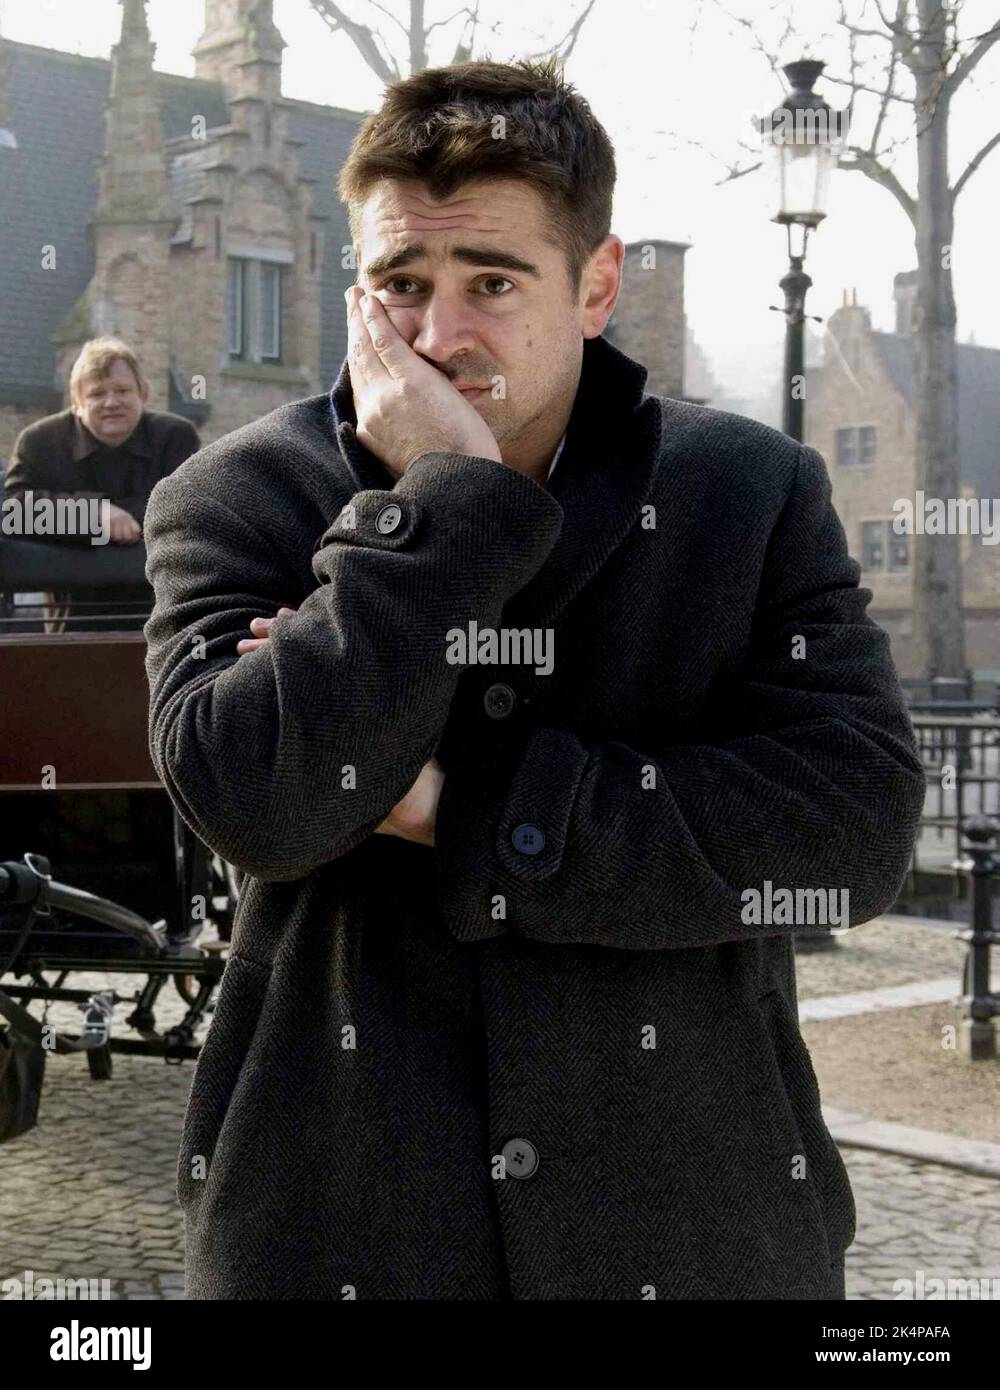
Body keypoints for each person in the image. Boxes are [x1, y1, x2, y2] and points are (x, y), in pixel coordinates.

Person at [142, 58, 925, 1301]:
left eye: (491, 282)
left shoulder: (746, 494)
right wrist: (439, 512)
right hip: (339, 1224)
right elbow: (260, 801)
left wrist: (458, 807)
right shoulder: (234, 497)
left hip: (692, 1225)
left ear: (597, 284)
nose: (439, 334)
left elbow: (849, 834)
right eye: (401, 284)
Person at [4, 338, 200, 628]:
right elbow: (15, 514)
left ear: (143, 393)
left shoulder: (176, 438)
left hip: (161, 614)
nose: (111, 403)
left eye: (122, 390)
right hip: (72, 621)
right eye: (96, 394)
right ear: (77, 403)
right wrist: (94, 515)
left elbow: (191, 508)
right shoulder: (39, 443)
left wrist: (118, 515)